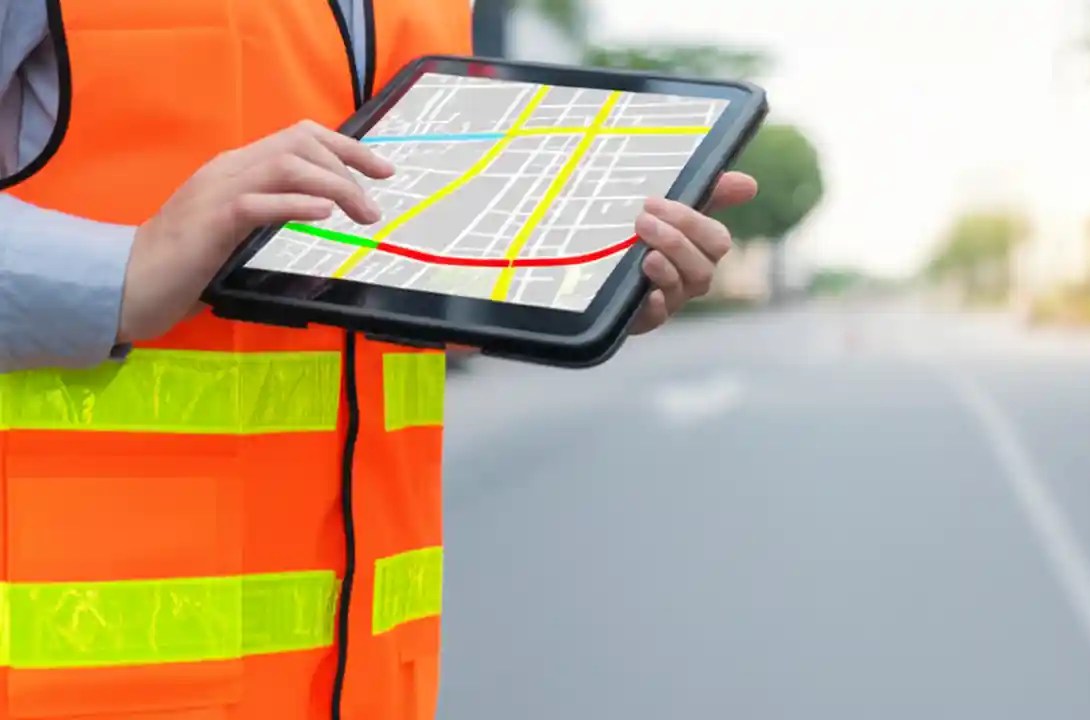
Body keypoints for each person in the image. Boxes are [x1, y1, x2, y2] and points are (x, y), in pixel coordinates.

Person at [0, 1, 757, 720]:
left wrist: (570, 281)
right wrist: (119, 273)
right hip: (73, 674)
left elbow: (380, 255)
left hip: (363, 682)